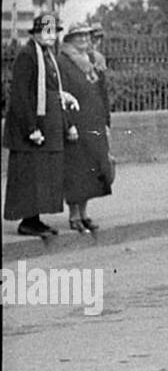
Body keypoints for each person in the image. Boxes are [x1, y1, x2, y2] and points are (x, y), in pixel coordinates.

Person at [4, 14, 74, 237]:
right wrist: (31, 128)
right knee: (30, 175)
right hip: (33, 128)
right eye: (46, 32)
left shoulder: (47, 56)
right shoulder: (27, 55)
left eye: (53, 32)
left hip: (48, 125)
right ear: (35, 33)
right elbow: (21, 95)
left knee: (42, 175)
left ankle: (35, 219)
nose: (51, 36)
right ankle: (28, 221)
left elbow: (51, 91)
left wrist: (66, 123)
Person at [57, 22, 113, 233]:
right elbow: (61, 96)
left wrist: (106, 122)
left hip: (95, 123)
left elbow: (102, 93)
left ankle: (84, 213)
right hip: (77, 124)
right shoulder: (63, 62)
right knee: (76, 170)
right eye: (78, 36)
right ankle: (74, 215)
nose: (83, 40)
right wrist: (68, 124)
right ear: (70, 39)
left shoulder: (93, 61)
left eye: (85, 36)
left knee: (93, 170)